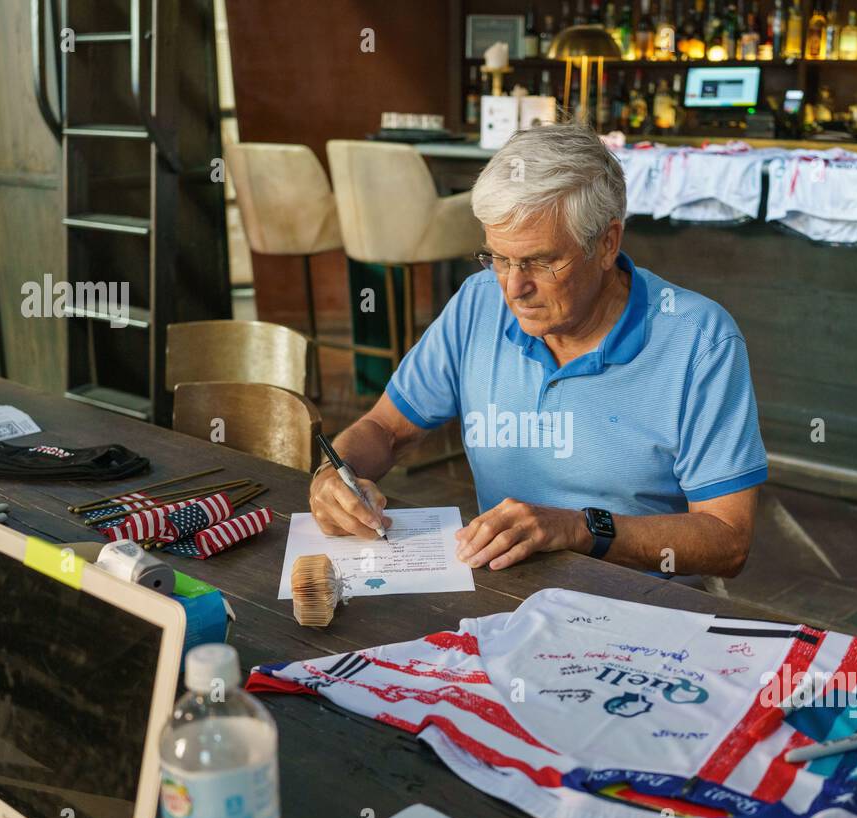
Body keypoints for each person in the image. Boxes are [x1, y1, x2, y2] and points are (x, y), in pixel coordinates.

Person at [309, 123, 767, 578]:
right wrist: (335, 478)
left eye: (540, 262)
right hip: (505, 592)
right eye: (499, 259)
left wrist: (581, 529)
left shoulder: (700, 339)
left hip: (640, 607)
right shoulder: (478, 302)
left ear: (607, 243)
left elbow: (727, 540)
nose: (514, 288)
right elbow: (386, 428)